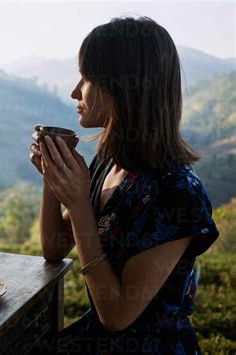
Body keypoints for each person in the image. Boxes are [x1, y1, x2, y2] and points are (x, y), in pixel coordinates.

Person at [28, 16, 220, 354]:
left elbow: (116, 314)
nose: (75, 91)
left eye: (86, 78)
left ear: (120, 88)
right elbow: (54, 248)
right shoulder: (110, 164)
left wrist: (78, 204)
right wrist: (53, 174)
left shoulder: (177, 194)